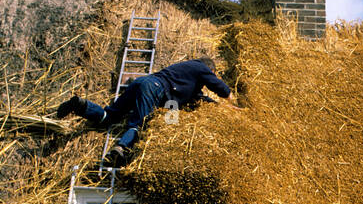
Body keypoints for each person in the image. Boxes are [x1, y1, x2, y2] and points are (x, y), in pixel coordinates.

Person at [56, 57, 235, 166]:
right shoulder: (200, 67)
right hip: (155, 89)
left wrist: (215, 105)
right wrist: (230, 102)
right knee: (139, 124)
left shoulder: (185, 75)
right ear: (209, 69)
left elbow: (198, 97)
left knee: (109, 116)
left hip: (143, 83)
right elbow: (219, 86)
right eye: (212, 73)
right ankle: (121, 147)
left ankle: (81, 106)